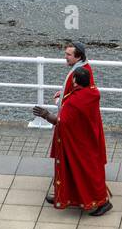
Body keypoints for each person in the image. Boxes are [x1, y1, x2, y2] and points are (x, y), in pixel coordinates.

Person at [33, 65, 111, 216]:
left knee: (84, 172)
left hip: (75, 142)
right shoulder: (93, 93)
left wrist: (45, 114)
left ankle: (103, 202)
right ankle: (70, 196)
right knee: (83, 171)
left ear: (75, 81)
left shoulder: (74, 101)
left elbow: (61, 121)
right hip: (85, 139)